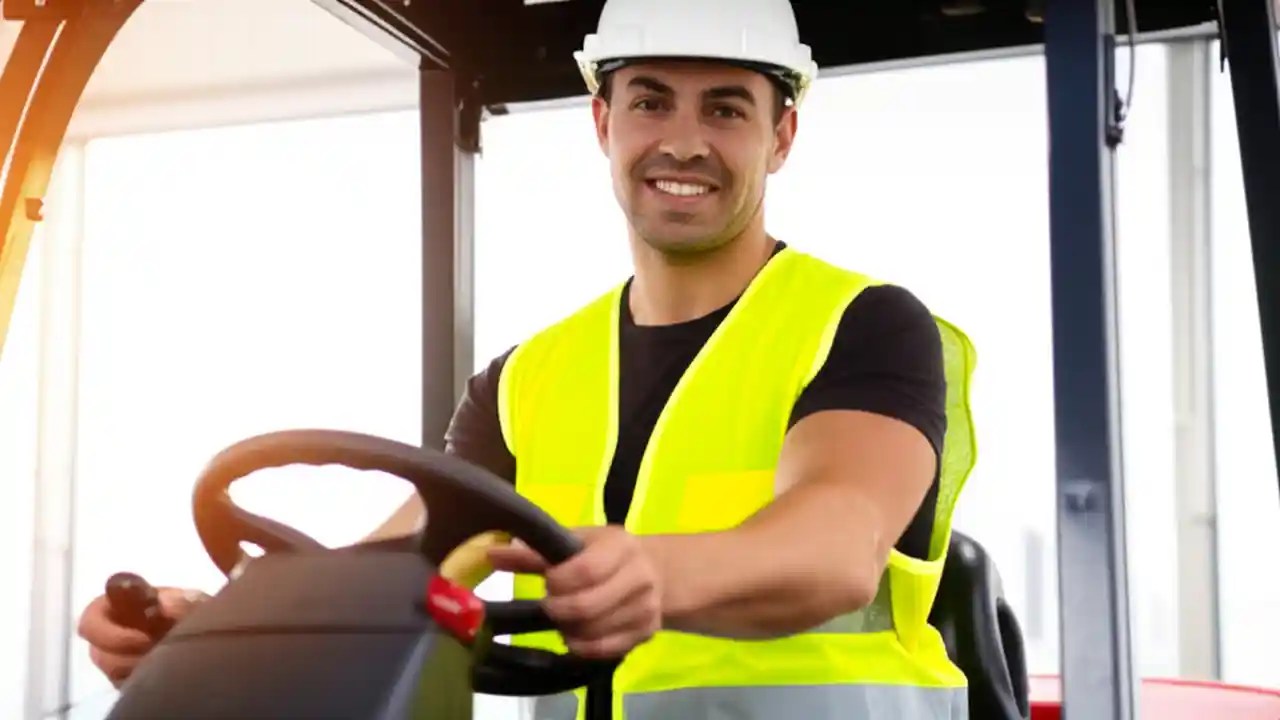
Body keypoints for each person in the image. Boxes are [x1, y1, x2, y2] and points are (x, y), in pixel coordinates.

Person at [78, 0, 979, 717]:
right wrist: (216, 630)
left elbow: (837, 545)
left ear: (781, 136)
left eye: (727, 108)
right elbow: (390, 576)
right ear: (603, 122)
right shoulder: (524, 380)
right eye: (651, 99)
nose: (683, 141)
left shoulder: (860, 323)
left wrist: (652, 575)